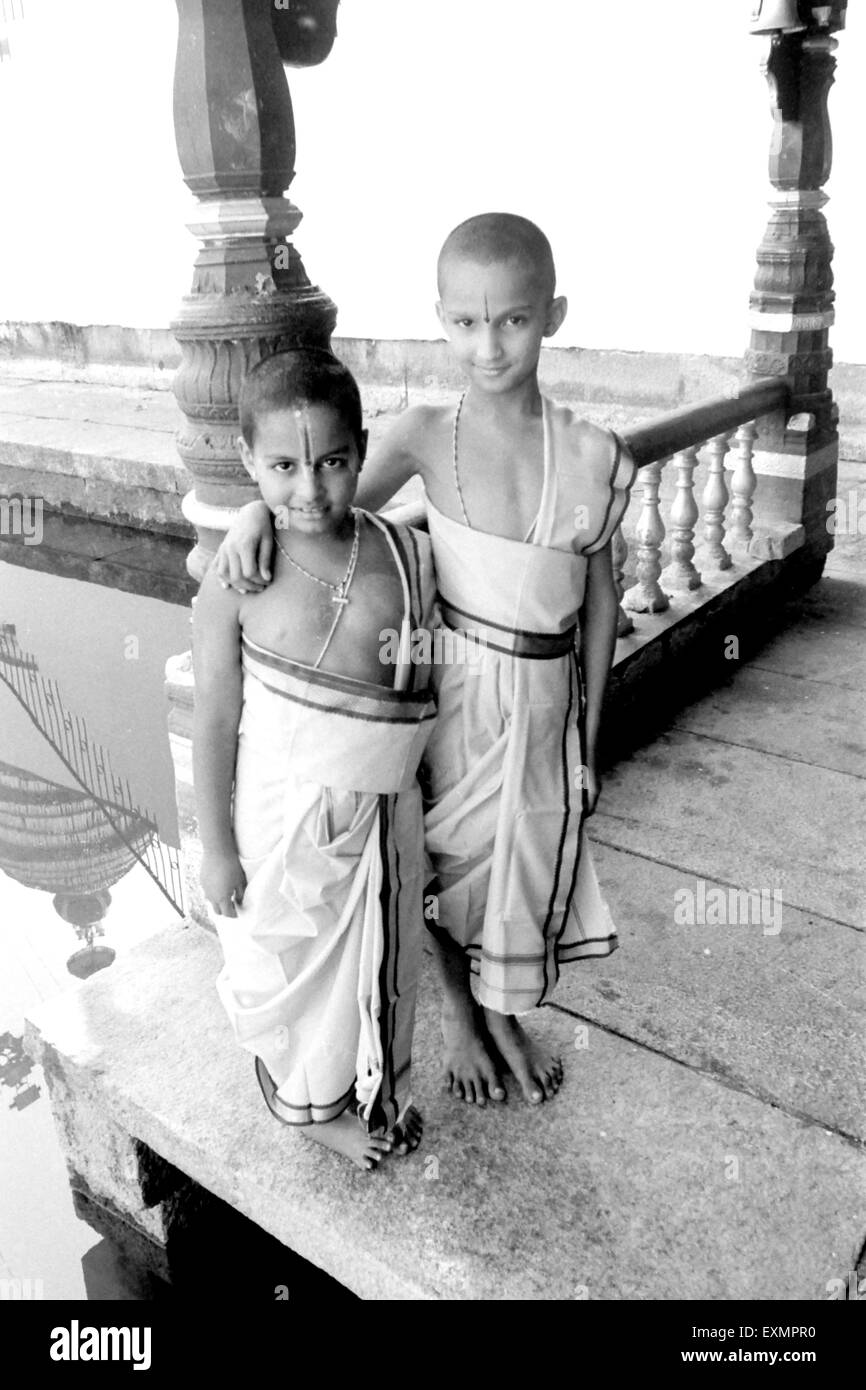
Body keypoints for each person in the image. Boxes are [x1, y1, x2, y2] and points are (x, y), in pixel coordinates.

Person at [215, 214, 636, 1111]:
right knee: (444, 858)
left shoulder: (594, 455)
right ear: (440, 319)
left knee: (524, 854)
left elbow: (600, 598)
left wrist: (593, 727)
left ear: (552, 315)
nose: (489, 345)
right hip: (451, 683)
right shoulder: (418, 434)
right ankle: (460, 1007)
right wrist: (252, 515)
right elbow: (319, 519)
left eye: (514, 320)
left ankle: (505, 1011)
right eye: (467, 323)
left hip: (549, 692)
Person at [193, 348, 437, 1171]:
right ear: (247, 461)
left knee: (368, 962)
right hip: (280, 816)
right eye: (284, 467)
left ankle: (362, 1087)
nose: (309, 489)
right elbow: (216, 718)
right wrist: (218, 847)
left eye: (332, 462)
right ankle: (307, 1106)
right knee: (293, 967)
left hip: (376, 814)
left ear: (363, 452)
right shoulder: (237, 579)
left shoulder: (400, 558)